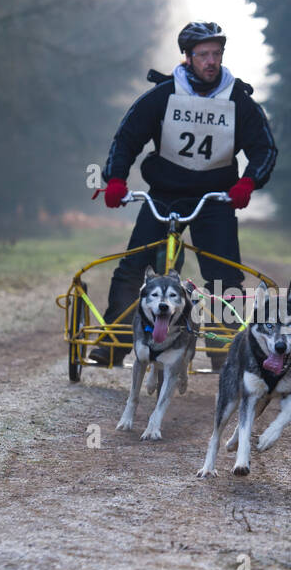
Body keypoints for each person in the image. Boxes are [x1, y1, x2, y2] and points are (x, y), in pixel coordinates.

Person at [90, 21, 278, 368]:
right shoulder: (164, 94)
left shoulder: (238, 98)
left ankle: (226, 358)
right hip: (165, 195)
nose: (211, 61)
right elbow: (128, 137)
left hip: (215, 200)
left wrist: (248, 183)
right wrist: (115, 179)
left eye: (216, 55)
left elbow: (264, 149)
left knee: (225, 278)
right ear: (187, 57)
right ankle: (113, 343)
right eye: (203, 55)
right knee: (134, 269)